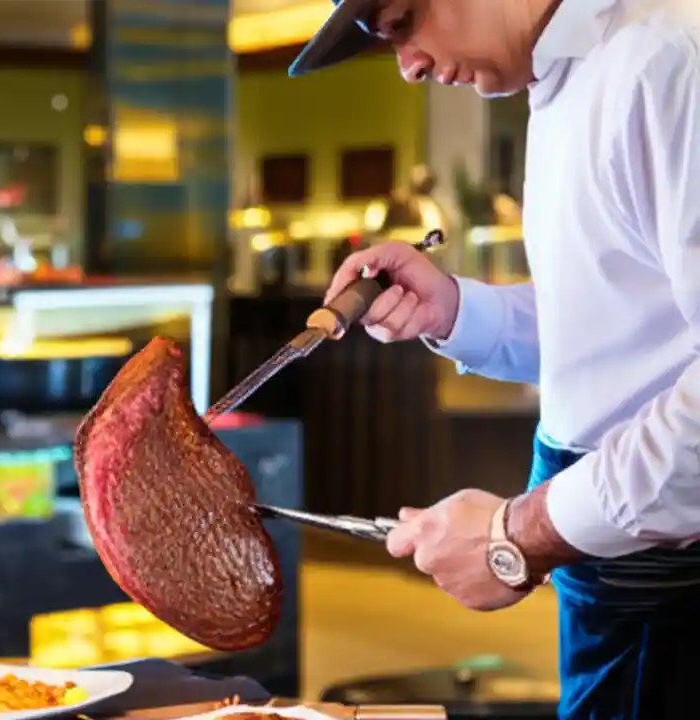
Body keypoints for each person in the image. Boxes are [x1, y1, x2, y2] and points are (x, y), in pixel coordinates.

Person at [292, 0, 700, 717]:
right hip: (611, 566)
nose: (409, 67)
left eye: (402, 23)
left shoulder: (667, 60)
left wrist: (519, 534)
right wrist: (455, 309)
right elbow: (625, 324)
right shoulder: (563, 77)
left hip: (673, 586)